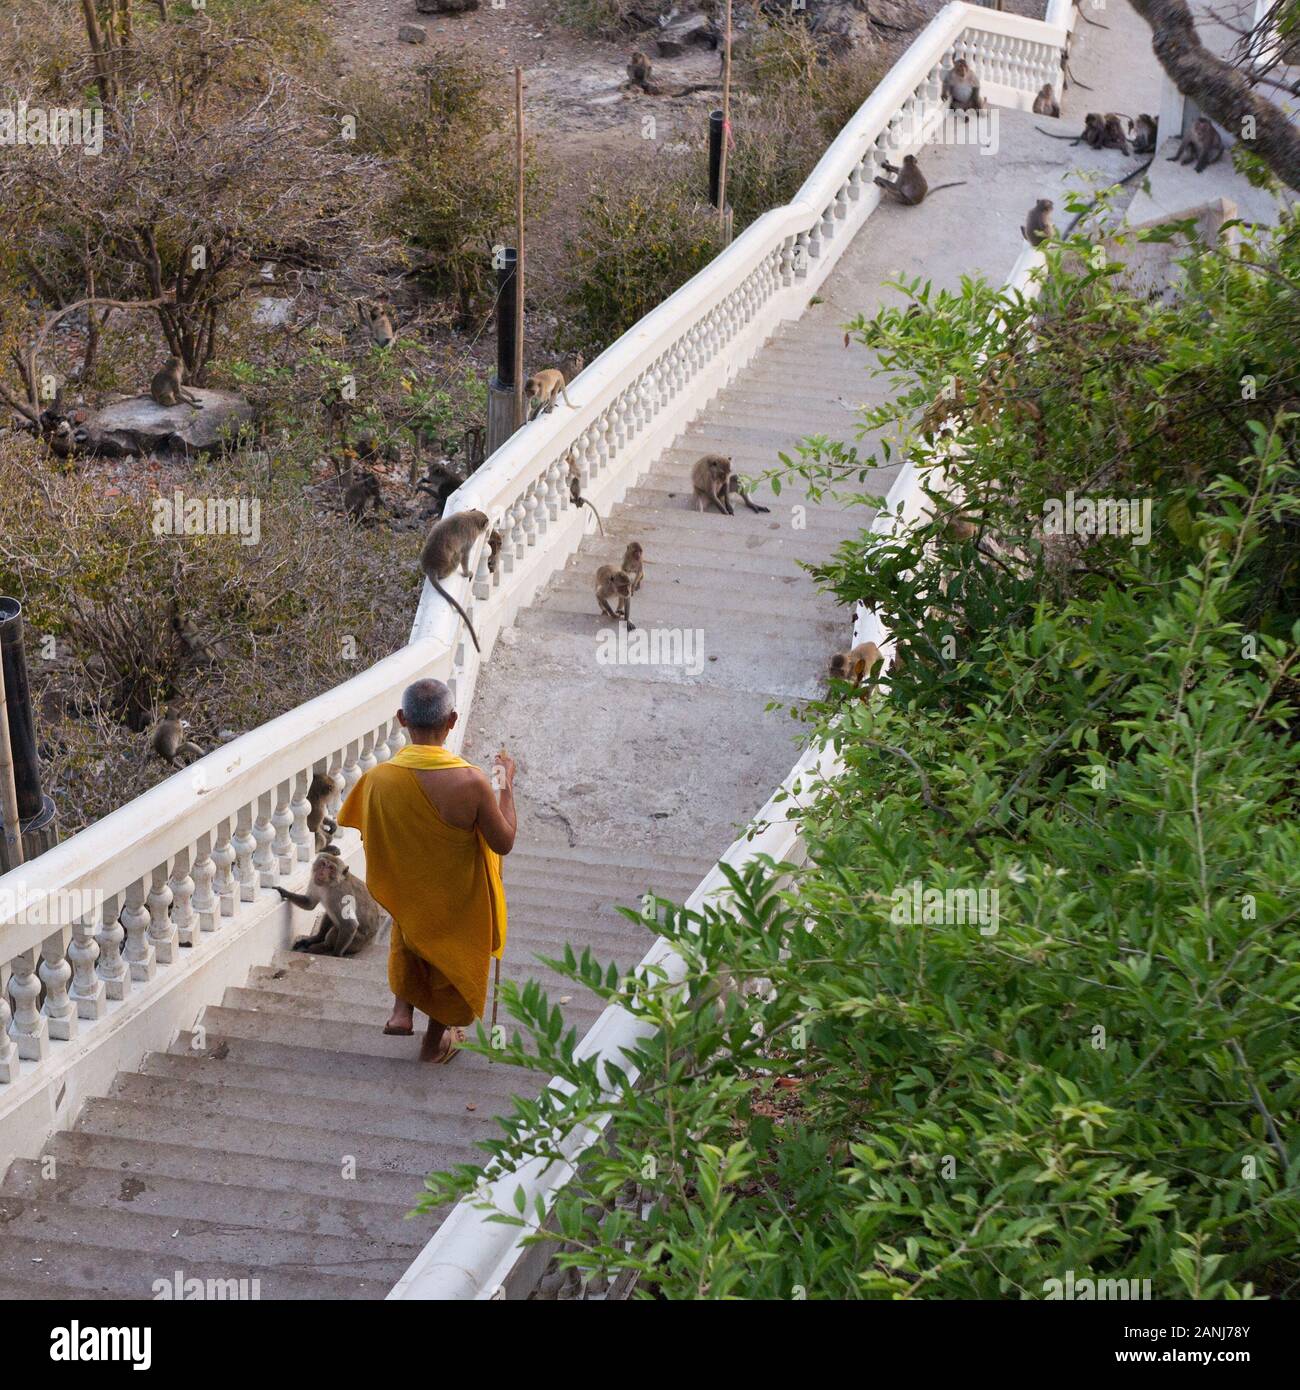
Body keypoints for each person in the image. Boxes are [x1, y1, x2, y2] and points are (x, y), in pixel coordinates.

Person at [337, 678, 516, 1063]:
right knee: (448, 963)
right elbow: (503, 842)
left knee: (409, 936)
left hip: (409, 888)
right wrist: (506, 787)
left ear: (402, 718)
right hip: (455, 898)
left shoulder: (378, 778)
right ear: (452, 720)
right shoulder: (472, 782)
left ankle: (402, 1011)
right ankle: (433, 1044)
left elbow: (373, 835)